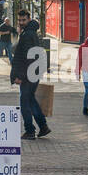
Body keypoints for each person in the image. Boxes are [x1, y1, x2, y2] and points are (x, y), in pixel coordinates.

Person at [11, 8, 51, 139]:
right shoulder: (29, 32)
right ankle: (43, 127)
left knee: (25, 103)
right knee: (30, 100)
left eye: (24, 20)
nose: (21, 22)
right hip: (33, 73)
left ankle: (30, 131)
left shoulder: (28, 34)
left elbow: (28, 57)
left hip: (28, 74)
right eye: (20, 20)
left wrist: (20, 76)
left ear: (29, 19)